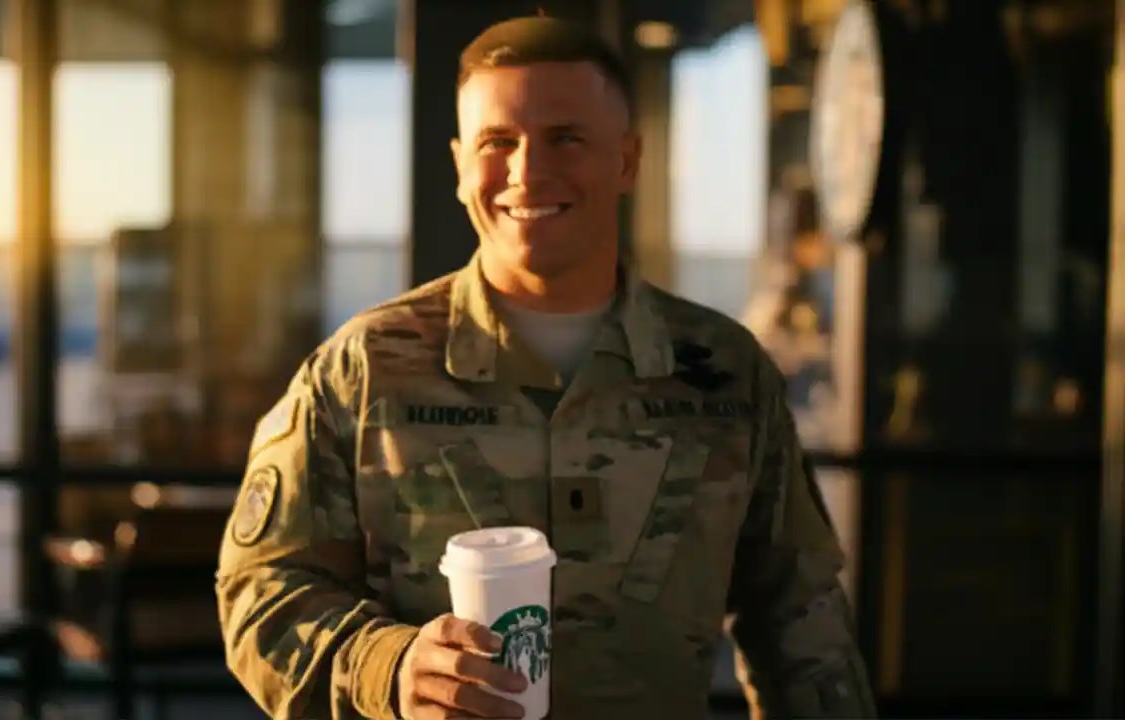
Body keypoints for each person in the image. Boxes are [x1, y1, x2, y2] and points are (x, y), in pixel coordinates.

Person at [216, 15, 876, 720]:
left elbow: (802, 624)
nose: (527, 172)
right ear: (460, 164)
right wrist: (390, 667)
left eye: (566, 138)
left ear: (626, 161)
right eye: (497, 142)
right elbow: (263, 593)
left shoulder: (723, 374)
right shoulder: (365, 370)